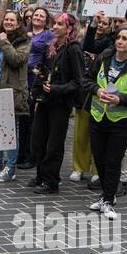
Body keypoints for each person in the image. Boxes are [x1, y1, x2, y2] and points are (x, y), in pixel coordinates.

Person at [83, 26, 127, 219]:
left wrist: (120, 99)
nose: (120, 41)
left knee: (113, 161)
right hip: (98, 116)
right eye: (118, 37)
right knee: (100, 159)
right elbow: (87, 80)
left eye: (125, 39)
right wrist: (97, 91)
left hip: (121, 121)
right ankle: (105, 195)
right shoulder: (103, 58)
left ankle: (109, 201)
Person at [30, 13, 84, 194]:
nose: (54, 27)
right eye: (54, 24)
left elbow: (78, 82)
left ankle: (51, 181)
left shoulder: (73, 49)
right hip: (45, 101)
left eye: (59, 24)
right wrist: (38, 92)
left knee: (54, 143)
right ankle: (40, 175)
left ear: (69, 28)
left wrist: (56, 89)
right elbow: (44, 72)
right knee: (38, 140)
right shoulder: (51, 47)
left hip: (60, 103)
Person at [0, 9, 29, 183]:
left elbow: (16, 59)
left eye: (12, 20)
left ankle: (10, 168)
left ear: (18, 23)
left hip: (12, 92)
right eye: (6, 20)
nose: (9, 22)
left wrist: (4, 42)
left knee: (9, 132)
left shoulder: (24, 42)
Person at [72, 12, 113, 186]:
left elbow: (97, 48)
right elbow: (87, 45)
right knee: (81, 132)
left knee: (98, 132)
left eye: (105, 22)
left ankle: (97, 169)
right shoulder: (89, 36)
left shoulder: (111, 41)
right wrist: (93, 25)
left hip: (102, 90)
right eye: (99, 22)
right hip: (85, 89)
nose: (101, 25)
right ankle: (79, 167)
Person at [18, 6, 53, 171]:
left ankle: (32, 155)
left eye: (42, 16)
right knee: (23, 118)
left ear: (46, 20)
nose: (38, 17)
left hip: (36, 80)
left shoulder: (48, 35)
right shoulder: (25, 32)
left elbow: (50, 56)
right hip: (21, 79)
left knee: (33, 120)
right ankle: (21, 153)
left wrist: (43, 74)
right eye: (36, 15)